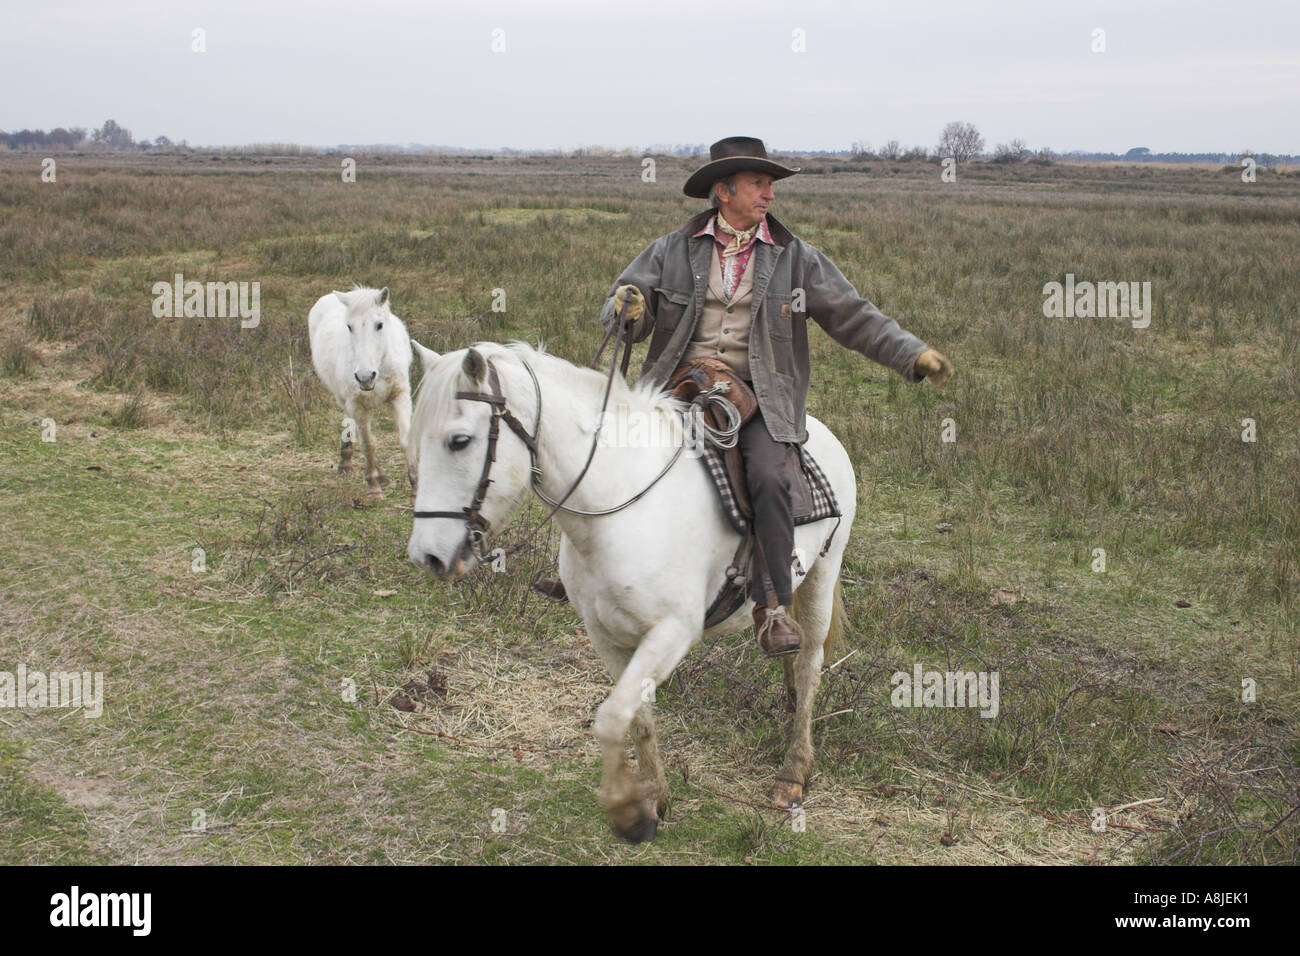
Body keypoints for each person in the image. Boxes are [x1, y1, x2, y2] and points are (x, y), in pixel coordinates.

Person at [541, 135, 954, 657]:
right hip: (674, 386)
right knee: (605, 448)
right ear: (724, 190)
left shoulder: (796, 259)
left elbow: (853, 315)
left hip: (760, 397)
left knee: (769, 476)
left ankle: (773, 605)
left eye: (770, 186)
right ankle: (575, 574)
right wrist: (625, 307)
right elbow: (629, 309)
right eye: (760, 184)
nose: (770, 196)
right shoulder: (670, 250)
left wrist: (911, 355)